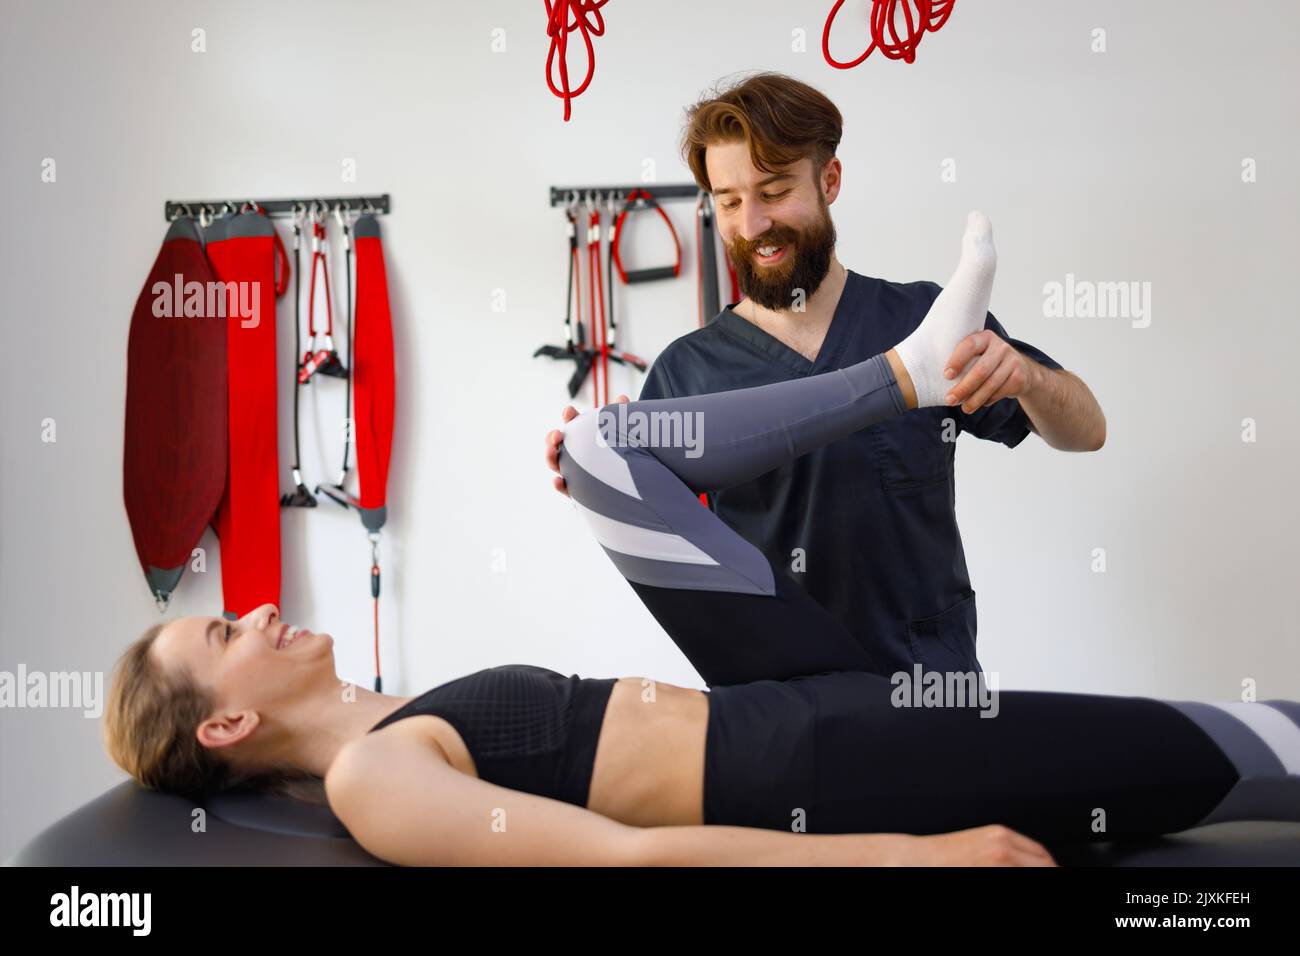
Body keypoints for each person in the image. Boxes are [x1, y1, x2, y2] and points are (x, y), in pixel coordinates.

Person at [105, 213, 1300, 866]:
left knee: (598, 452)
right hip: (813, 761)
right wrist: (910, 862)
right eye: (223, 629)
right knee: (1229, 749)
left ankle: (910, 371)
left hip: (778, 689)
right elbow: (627, 864)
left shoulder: (389, 721)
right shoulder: (371, 777)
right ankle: (911, 374)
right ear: (225, 721)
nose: (256, 610)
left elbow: (1074, 424)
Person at [545, 72, 1106, 677]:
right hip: (774, 707)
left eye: (774, 190)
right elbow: (672, 544)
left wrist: (1028, 376)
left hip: (927, 690)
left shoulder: (925, 319)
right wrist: (596, 464)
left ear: (829, 180)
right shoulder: (687, 371)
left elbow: (1087, 429)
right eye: (729, 201)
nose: (752, 223)